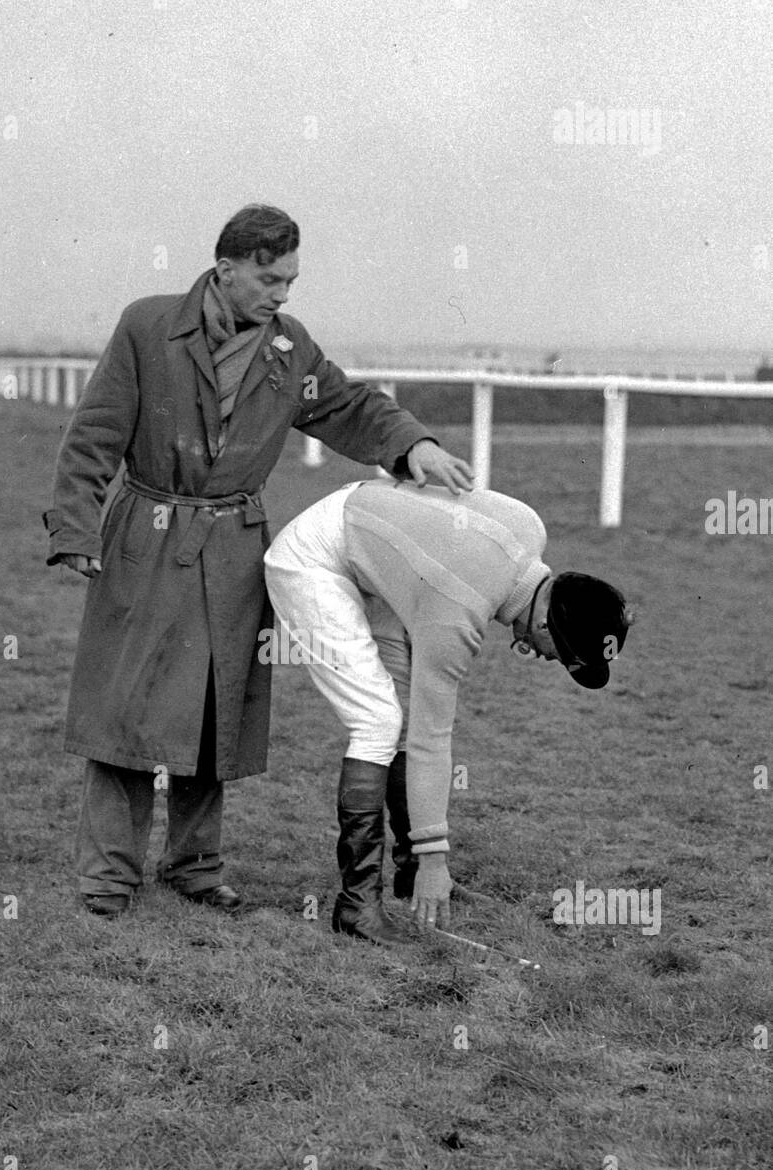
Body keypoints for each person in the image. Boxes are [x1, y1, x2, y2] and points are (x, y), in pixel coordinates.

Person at [43, 204, 473, 916]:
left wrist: (413, 445)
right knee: (125, 712)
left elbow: (351, 408)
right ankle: (106, 880)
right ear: (226, 270)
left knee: (213, 715)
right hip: (145, 540)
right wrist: (76, 532)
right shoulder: (147, 328)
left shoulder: (290, 349)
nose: (281, 294)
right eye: (270, 279)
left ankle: (194, 870)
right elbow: (93, 436)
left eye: (290, 281)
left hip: (236, 554)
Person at [263, 478, 633, 944]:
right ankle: (357, 905)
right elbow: (430, 739)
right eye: (560, 652)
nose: (549, 660)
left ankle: (410, 873)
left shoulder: (529, 527)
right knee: (378, 723)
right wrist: (438, 854)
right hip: (313, 558)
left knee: (394, 717)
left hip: (370, 544)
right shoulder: (459, 610)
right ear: (544, 622)